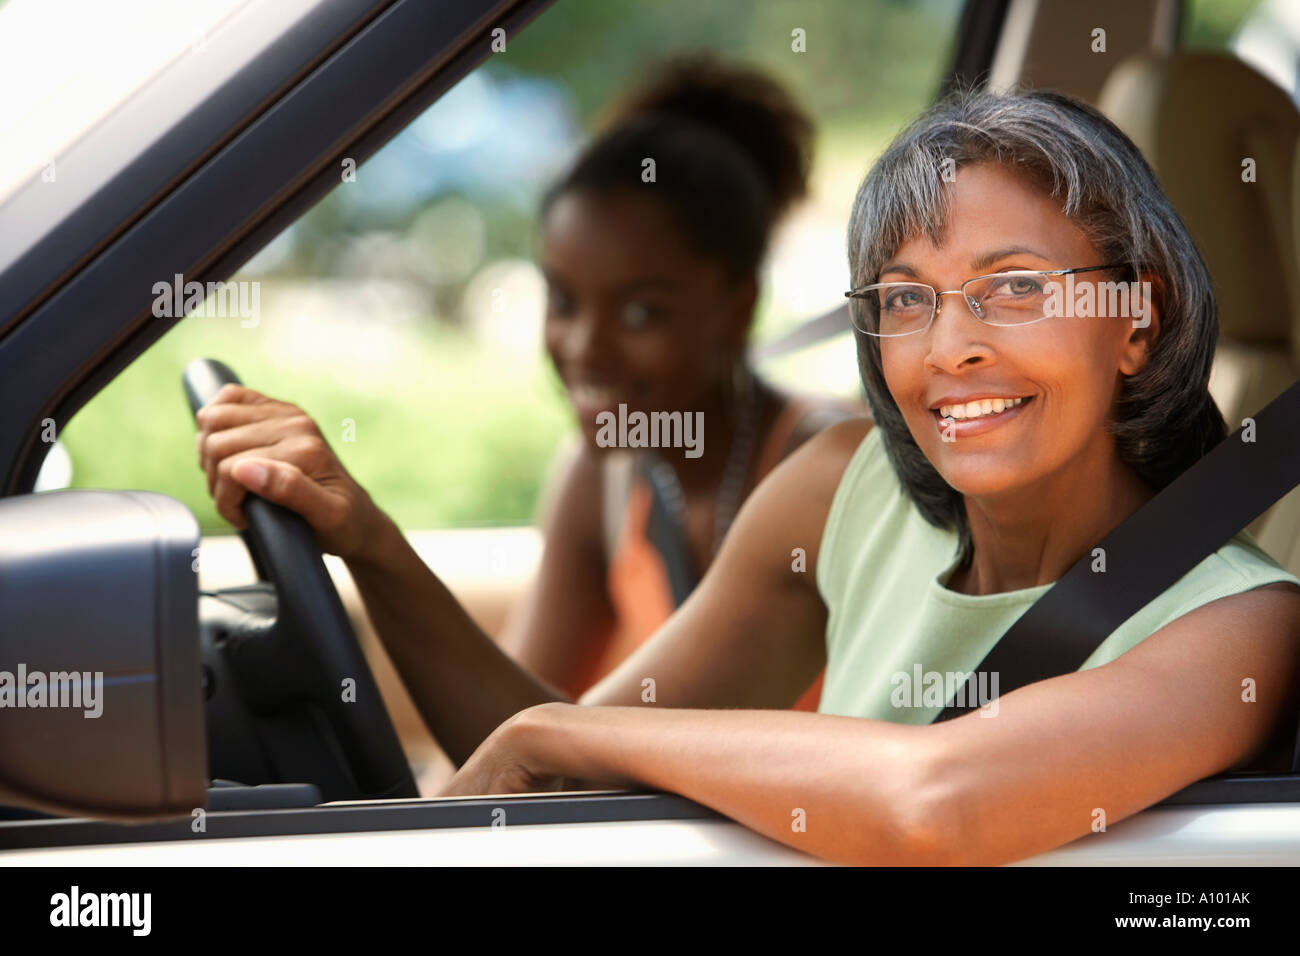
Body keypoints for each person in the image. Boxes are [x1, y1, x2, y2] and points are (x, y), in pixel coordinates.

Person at [195, 87, 1300, 865]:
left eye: (1012, 287)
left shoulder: (1238, 626)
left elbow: (933, 803)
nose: (948, 346)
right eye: (904, 299)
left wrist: (559, 735)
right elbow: (561, 769)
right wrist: (373, 542)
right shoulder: (844, 487)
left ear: (1135, 320)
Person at [502, 55, 856, 703]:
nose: (584, 349)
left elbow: (554, 752)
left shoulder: (828, 469)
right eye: (563, 301)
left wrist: (375, 546)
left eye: (641, 312)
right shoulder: (598, 476)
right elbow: (515, 728)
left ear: (739, 307)